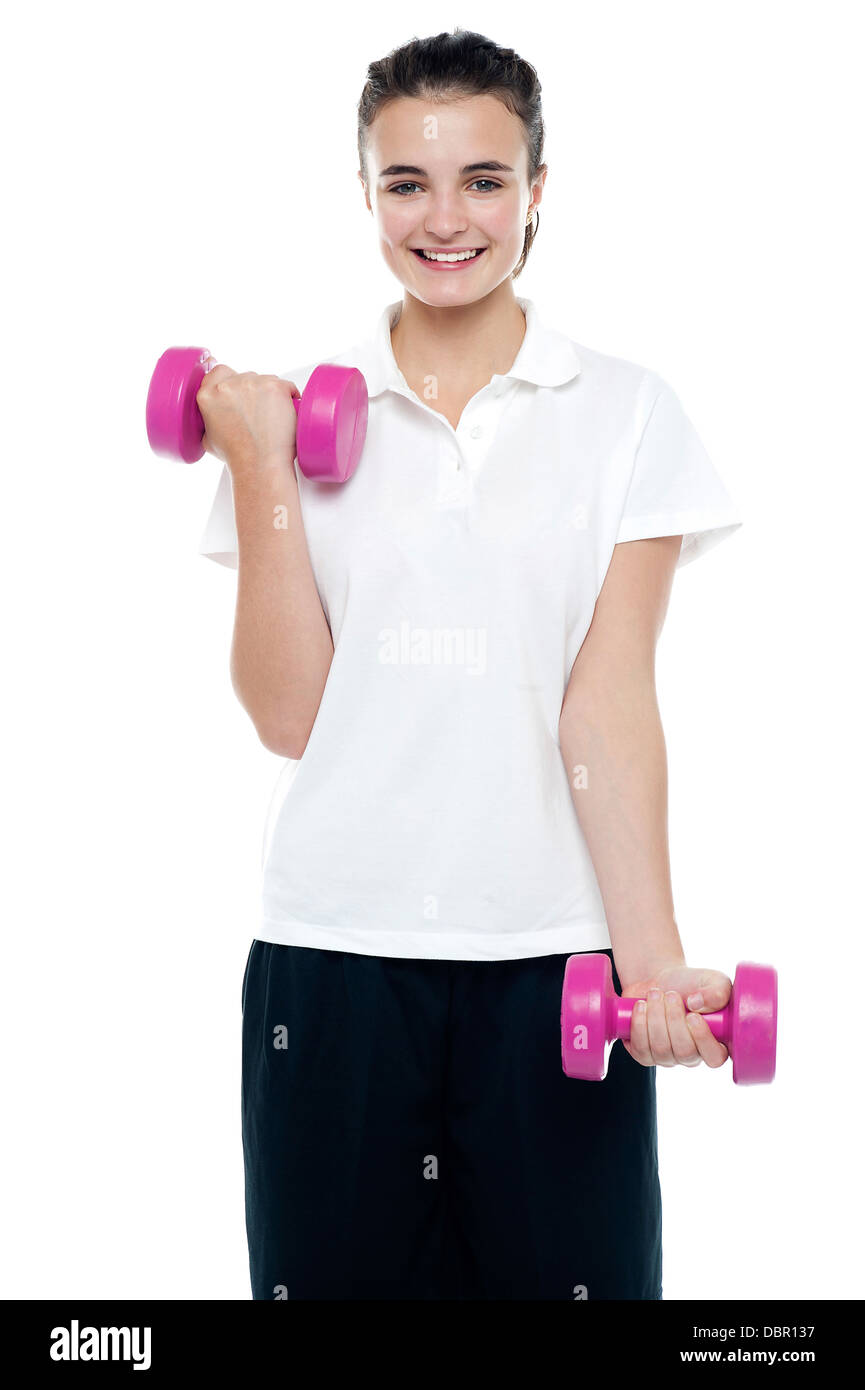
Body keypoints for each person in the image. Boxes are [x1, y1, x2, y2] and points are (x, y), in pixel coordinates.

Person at [195, 29, 744, 1301]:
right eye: (407, 183)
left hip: (552, 967)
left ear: (538, 189)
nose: (445, 219)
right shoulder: (285, 415)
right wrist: (264, 469)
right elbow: (288, 718)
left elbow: (605, 711)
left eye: (484, 180)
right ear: (366, 192)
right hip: (331, 958)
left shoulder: (625, 413)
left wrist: (651, 967)